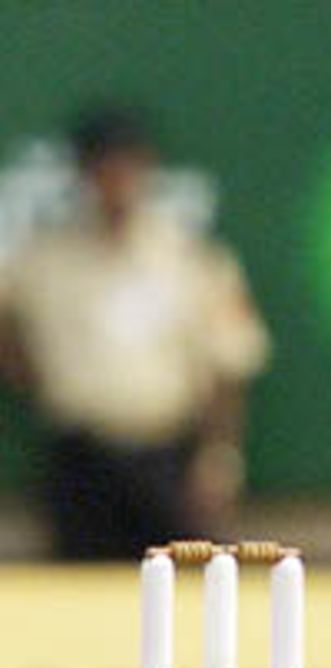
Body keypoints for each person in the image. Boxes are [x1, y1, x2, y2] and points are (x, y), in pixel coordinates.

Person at [0, 105, 269, 560]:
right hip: (82, 456)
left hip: (165, 454)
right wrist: (28, 377)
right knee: (80, 596)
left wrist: (218, 459)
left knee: (181, 584)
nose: (115, 180)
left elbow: (230, 362)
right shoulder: (45, 260)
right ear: (83, 175)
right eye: (102, 168)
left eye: (126, 166)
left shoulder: (187, 258)